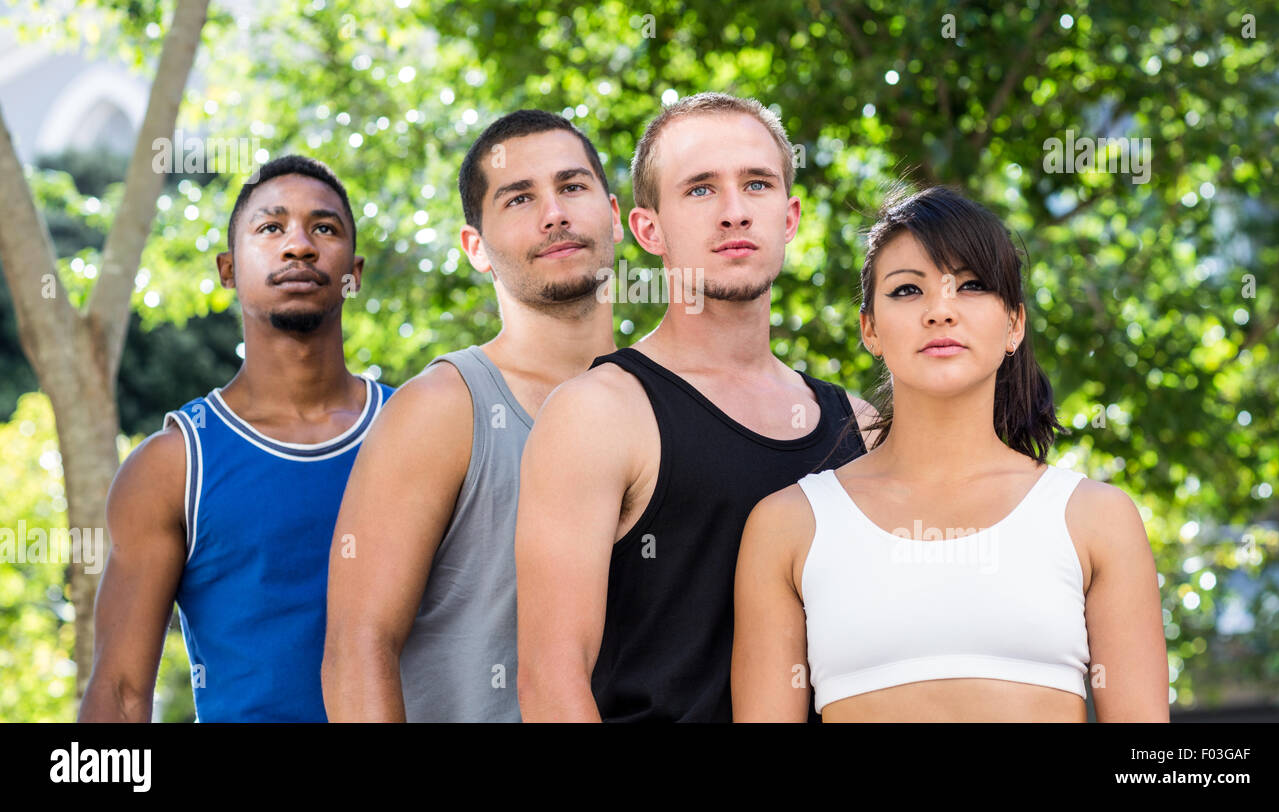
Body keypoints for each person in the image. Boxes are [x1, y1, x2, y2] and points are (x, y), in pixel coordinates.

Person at [732, 183, 1169, 722]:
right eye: (908, 291)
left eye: (972, 286)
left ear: (1014, 324)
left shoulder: (1096, 519)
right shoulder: (789, 525)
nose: (940, 311)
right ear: (869, 328)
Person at [516, 92, 876, 722]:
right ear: (649, 229)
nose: (735, 212)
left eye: (757, 185)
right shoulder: (598, 413)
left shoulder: (861, 426)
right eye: (702, 190)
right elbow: (550, 682)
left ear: (789, 217)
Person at [322, 110, 623, 721]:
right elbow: (357, 648)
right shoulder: (443, 408)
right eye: (519, 198)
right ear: (475, 248)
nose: (554, 213)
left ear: (615, 216)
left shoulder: (663, 400)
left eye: (572, 186)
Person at [79, 154, 395, 722]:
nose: (298, 245)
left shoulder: (418, 429)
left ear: (355, 270)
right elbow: (121, 695)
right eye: (270, 228)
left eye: (324, 228)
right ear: (228, 269)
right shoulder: (173, 465)